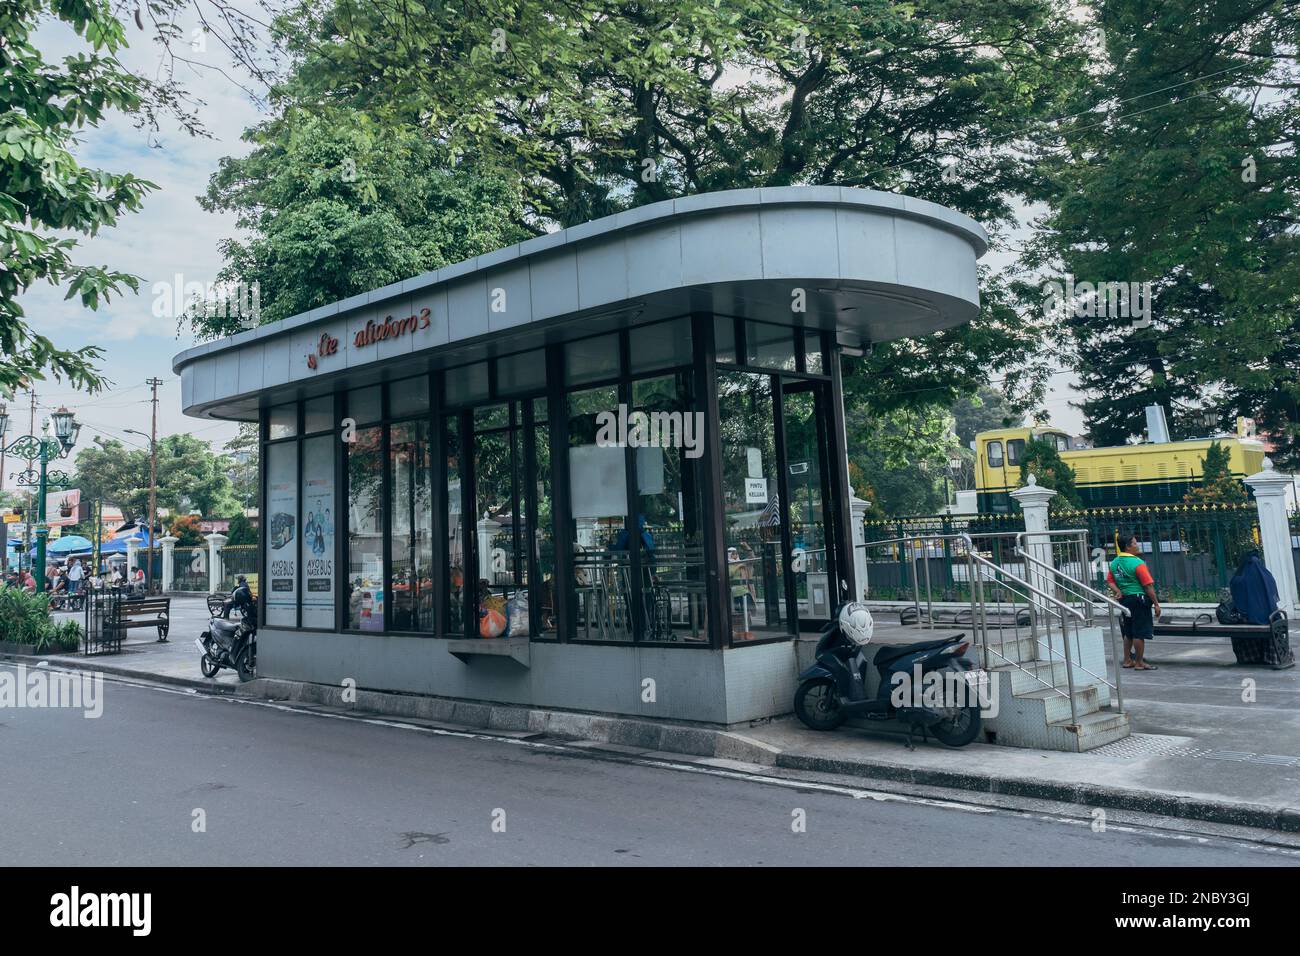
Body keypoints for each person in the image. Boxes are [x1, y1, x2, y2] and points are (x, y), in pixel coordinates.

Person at [1107, 532, 1161, 671]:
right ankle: (1139, 662)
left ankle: (1127, 660)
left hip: (1125, 600)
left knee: (1129, 632)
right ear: (1128, 547)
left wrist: (1118, 591)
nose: (1137, 545)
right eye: (1135, 543)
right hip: (1139, 599)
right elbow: (1148, 585)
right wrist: (1156, 603)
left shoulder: (1114, 562)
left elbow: (1110, 581)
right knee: (1139, 632)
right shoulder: (1138, 563)